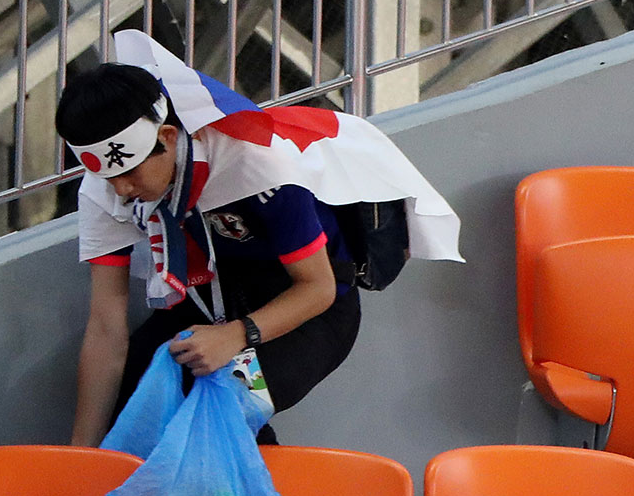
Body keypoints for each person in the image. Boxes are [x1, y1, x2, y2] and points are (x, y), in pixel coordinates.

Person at [55, 30, 462, 448]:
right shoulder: (104, 187)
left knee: (217, 409)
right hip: (208, 297)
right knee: (132, 405)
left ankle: (260, 489)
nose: (121, 189)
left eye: (129, 173)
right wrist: (82, 453)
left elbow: (318, 288)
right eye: (107, 177)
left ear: (168, 138)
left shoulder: (255, 163)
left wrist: (236, 336)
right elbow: (106, 328)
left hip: (306, 308)